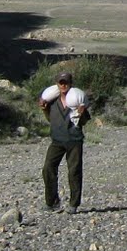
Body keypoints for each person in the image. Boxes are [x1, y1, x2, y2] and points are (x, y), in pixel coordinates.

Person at [39, 71, 90, 213]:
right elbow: (50, 119)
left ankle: (74, 204)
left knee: (74, 171)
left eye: (65, 82)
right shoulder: (52, 101)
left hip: (74, 140)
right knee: (48, 168)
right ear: (57, 84)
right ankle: (52, 202)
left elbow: (84, 121)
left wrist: (81, 113)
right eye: (60, 82)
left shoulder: (77, 100)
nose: (63, 85)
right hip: (57, 140)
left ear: (70, 83)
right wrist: (44, 109)